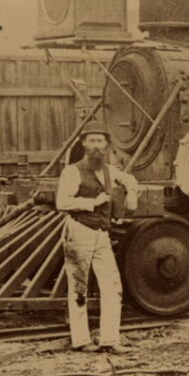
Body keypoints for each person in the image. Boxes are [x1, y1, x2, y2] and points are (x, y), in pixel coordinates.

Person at [56, 126, 138, 352]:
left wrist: (131, 193)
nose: (96, 146)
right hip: (79, 230)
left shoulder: (110, 170)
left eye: (100, 141)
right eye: (91, 141)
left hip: (101, 234)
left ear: (106, 145)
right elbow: (62, 202)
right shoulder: (73, 171)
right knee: (79, 288)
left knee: (112, 286)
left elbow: (129, 179)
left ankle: (110, 340)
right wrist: (92, 202)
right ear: (84, 144)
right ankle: (81, 340)